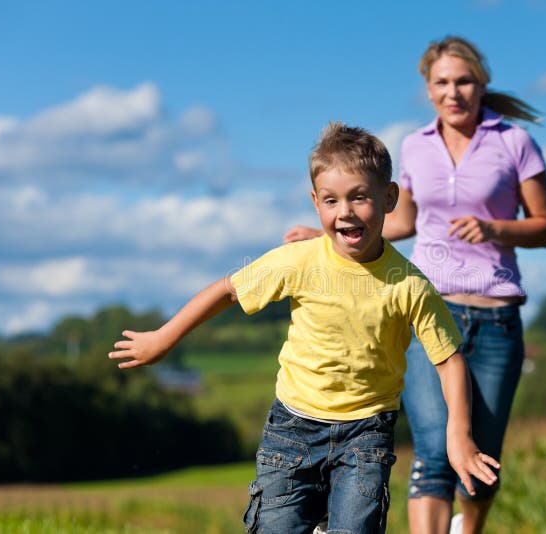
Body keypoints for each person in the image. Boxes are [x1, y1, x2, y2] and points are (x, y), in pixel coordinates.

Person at [109, 122, 500, 534]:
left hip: (365, 435)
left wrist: (458, 434)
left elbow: (449, 361)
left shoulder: (410, 284)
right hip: (292, 430)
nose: (345, 211)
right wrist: (163, 338)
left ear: (388, 198)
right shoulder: (299, 261)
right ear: (316, 203)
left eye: (360, 197)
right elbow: (227, 291)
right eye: (331, 200)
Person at [286, 36, 546, 534]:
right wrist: (329, 234)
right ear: (428, 90)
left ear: (482, 84)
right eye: (442, 83)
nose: (453, 92)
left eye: (463, 81)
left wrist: (496, 227)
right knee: (434, 448)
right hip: (430, 308)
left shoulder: (514, 143)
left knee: (481, 460)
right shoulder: (415, 146)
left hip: (496, 317)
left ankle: (466, 526)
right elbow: (400, 220)